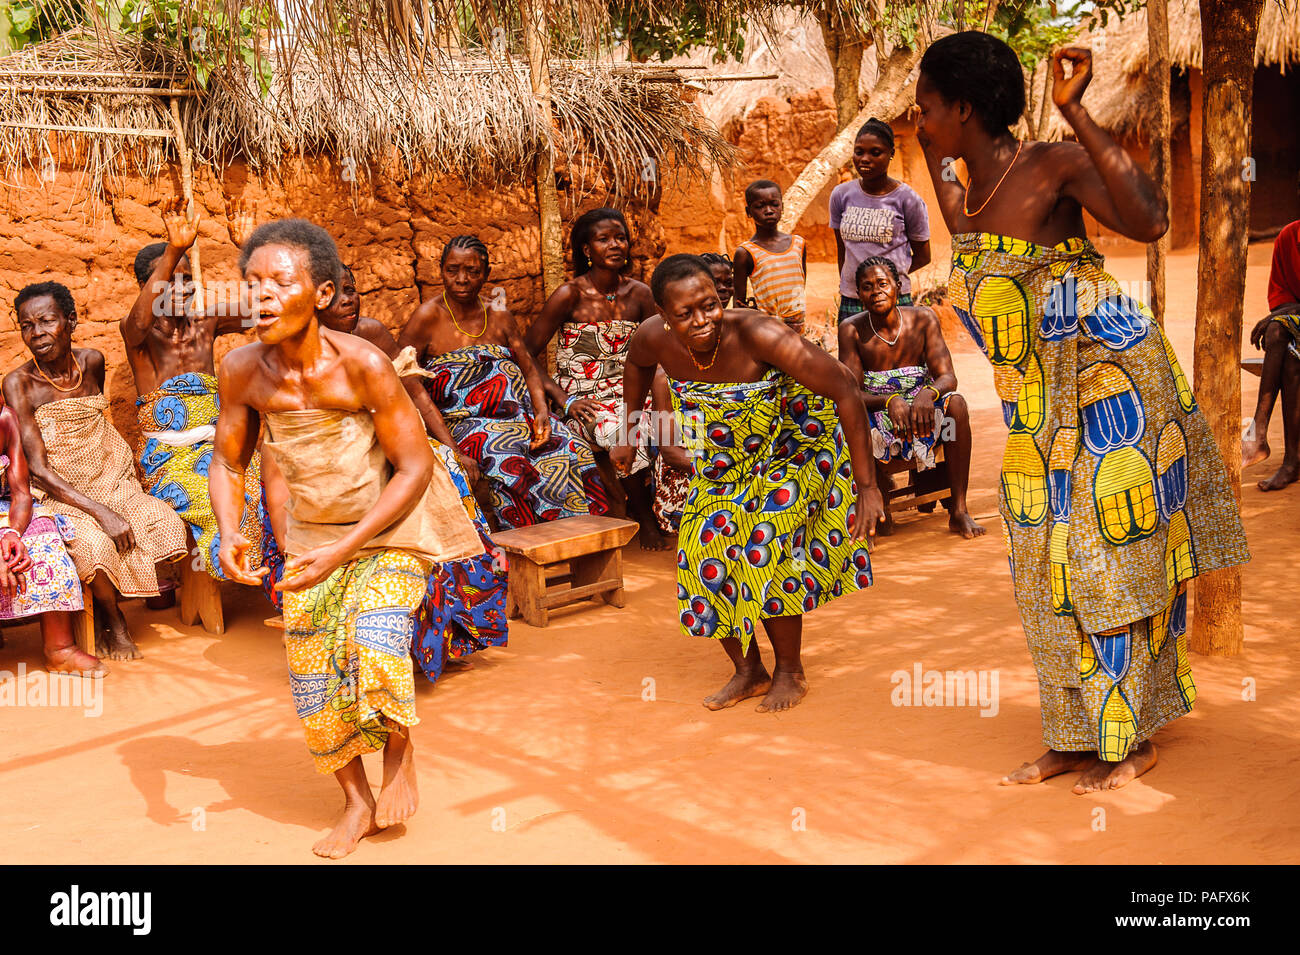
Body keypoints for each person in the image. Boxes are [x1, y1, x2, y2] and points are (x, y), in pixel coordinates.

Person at [916, 32, 1249, 792]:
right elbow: (984, 271)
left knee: (1112, 558)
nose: (919, 118)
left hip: (1112, 389)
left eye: (927, 106)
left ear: (963, 107)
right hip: (1038, 409)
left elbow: (1151, 219)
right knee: (1041, 563)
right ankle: (1074, 732)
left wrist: (1079, 115)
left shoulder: (1054, 164)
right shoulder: (966, 189)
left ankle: (1128, 736)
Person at [211, 219, 485, 859]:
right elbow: (227, 463)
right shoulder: (241, 371)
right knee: (312, 681)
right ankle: (357, 803)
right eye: (251, 284)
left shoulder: (363, 365)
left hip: (391, 528)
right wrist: (229, 530)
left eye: (280, 282)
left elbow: (415, 467)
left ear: (325, 293)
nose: (262, 296)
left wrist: (343, 549)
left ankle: (400, 755)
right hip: (311, 535)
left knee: (378, 642)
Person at [613, 254, 885, 713]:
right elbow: (636, 370)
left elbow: (843, 388)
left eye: (709, 305)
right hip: (725, 460)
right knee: (702, 549)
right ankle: (749, 671)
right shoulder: (651, 339)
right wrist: (629, 430)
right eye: (685, 314)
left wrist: (868, 486)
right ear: (663, 316)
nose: (701, 320)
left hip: (795, 449)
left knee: (764, 545)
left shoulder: (760, 333)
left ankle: (789, 671)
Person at [263, 254, 509, 681]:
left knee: (444, 487)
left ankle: (439, 641)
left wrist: (451, 449)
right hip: (323, 484)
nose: (348, 301)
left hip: (393, 460)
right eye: (336, 293)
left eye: (352, 290)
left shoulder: (372, 335)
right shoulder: (283, 359)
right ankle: (355, 648)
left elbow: (417, 396)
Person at [4, 283, 189, 661]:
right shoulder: (18, 383)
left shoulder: (92, 361)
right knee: (94, 542)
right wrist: (99, 510)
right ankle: (111, 614)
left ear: (70, 321)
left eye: (46, 321)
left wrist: (116, 490)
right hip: (59, 488)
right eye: (26, 325)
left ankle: (145, 593)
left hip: (109, 476)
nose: (36, 332)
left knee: (162, 520)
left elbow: (95, 421)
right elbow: (37, 468)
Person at [402, 235, 608, 528]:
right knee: (502, 455)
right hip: (464, 424)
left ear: (486, 274)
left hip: (518, 416)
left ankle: (577, 540)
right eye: (452, 270)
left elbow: (528, 366)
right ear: (441, 271)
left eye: (472, 271)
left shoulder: (498, 314)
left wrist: (541, 414)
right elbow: (410, 385)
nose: (461, 279)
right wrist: (453, 450)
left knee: (572, 447)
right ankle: (522, 544)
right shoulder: (426, 317)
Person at [126, 202, 264, 578]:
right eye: (169, 279)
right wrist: (174, 250)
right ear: (147, 288)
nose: (180, 288)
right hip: (169, 457)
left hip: (223, 446)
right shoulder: (139, 336)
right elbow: (139, 320)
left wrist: (249, 247)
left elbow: (263, 310)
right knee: (210, 499)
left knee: (269, 486)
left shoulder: (206, 322)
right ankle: (236, 567)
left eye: (186, 278)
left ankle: (279, 580)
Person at [526, 208, 662, 548]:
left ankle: (669, 512)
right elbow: (525, 352)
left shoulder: (641, 294)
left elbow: (662, 344)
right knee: (620, 428)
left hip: (633, 390)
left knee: (676, 424)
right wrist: (564, 399)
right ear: (587, 250)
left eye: (620, 238)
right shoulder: (569, 295)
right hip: (585, 397)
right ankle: (643, 519)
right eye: (604, 239)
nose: (615, 245)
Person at [839, 257, 983, 539]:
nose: (876, 291)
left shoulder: (922, 318)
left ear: (898, 285)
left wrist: (927, 395)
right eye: (867, 287)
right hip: (882, 423)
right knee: (851, 419)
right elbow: (851, 392)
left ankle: (959, 511)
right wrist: (890, 400)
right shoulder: (852, 329)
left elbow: (947, 377)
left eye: (882, 284)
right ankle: (877, 511)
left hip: (925, 418)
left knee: (956, 405)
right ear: (858, 294)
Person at [0, 391, 101, 676]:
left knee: (45, 541)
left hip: (6, 508)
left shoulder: (6, 419)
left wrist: (11, 534)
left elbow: (21, 492)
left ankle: (60, 651)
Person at [830, 118, 932, 323]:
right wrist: (855, 283)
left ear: (891, 154)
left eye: (875, 153)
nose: (865, 159)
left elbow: (923, 256)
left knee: (899, 355)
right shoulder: (841, 195)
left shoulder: (907, 199)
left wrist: (889, 278)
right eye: (859, 152)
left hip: (894, 299)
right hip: (853, 298)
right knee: (853, 355)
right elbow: (843, 250)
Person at [1242, 179, 1300, 491]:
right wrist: (1277, 316)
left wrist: (1278, 316)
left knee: (1279, 326)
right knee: (1282, 339)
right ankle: (1285, 456)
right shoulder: (1289, 237)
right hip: (1296, 327)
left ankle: (1260, 434)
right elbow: (1283, 299)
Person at [733, 180, 808, 333]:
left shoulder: (798, 244)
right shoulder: (746, 252)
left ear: (783, 207)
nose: (769, 210)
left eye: (774, 204)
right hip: (767, 331)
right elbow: (738, 304)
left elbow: (800, 285)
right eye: (760, 206)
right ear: (748, 212)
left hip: (798, 330)